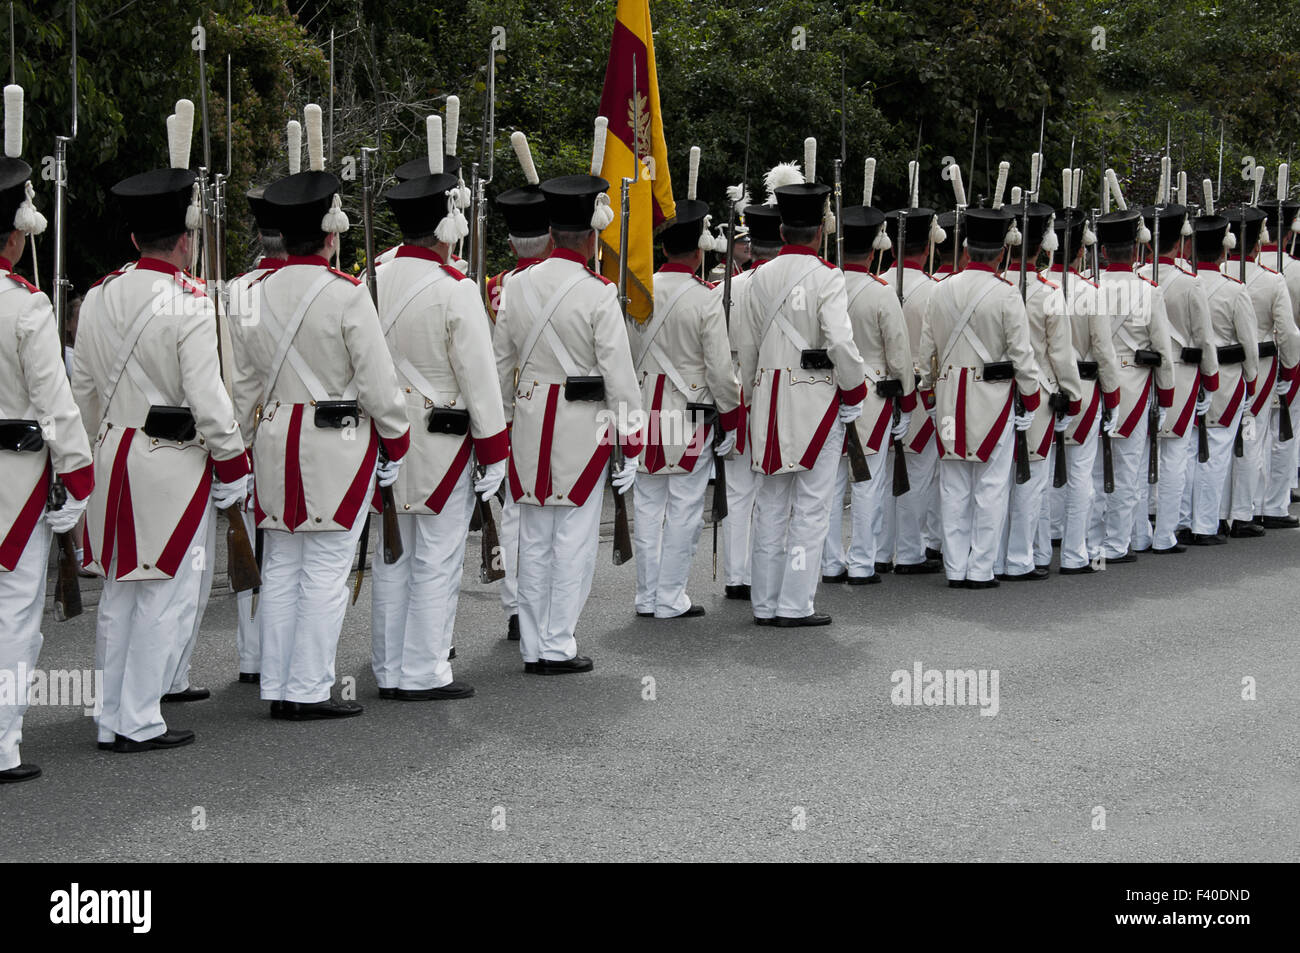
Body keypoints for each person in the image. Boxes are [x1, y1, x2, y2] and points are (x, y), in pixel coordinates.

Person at [72, 101, 249, 752]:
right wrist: (232, 463)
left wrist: (95, 445)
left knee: (121, 595)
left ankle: (112, 713)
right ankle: (139, 717)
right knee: (165, 595)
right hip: (171, 465)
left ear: (133, 238)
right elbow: (208, 397)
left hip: (112, 456)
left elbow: (84, 391)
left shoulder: (97, 295)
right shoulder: (193, 302)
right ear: (187, 237)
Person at [228, 104, 409, 720]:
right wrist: (397, 440)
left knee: (282, 564)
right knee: (326, 567)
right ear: (330, 232)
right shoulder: (347, 295)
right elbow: (380, 386)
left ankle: (280, 684)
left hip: (275, 439)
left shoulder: (252, 294)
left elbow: (241, 388)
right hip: (337, 445)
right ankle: (306, 687)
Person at [369, 149, 508, 700]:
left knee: (392, 556)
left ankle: (386, 668)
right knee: (436, 558)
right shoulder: (456, 288)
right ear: (447, 223)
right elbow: (478, 378)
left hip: (386, 439)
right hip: (444, 443)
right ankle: (423, 671)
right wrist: (495, 451)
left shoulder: (369, 277)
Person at [492, 172, 642, 672]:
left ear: (552, 233)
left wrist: (497, 432)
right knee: (572, 540)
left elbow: (498, 366)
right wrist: (634, 441)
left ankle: (535, 643)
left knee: (533, 538)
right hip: (582, 427)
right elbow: (619, 375)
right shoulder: (599, 293)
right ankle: (557, 642)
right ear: (593, 235)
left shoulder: (514, 286)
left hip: (531, 424)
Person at [0, 85, 94, 781]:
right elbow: (55, 406)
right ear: (17, 231)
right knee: (12, 614)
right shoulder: (26, 308)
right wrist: (78, 475)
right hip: (12, 480)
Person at [736, 171, 867, 626]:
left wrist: (752, 395)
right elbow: (841, 344)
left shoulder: (756, 278)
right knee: (811, 509)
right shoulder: (827, 277)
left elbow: (747, 348)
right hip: (815, 402)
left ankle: (765, 603)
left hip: (768, 399)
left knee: (770, 507)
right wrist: (855, 390)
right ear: (819, 230)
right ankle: (794, 604)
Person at [915, 208, 1040, 588]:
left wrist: (929, 394)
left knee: (953, 485)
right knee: (990, 486)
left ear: (967, 248)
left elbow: (926, 354)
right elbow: (1022, 356)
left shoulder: (940, 290)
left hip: (951, 397)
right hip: (993, 400)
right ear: (1002, 252)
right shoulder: (1006, 294)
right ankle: (980, 568)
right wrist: (1031, 400)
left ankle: (955, 568)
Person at [629, 191, 740, 619]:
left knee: (648, 506)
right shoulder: (706, 297)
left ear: (662, 247)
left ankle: (646, 594)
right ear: (699, 252)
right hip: (688, 414)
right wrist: (732, 417)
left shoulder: (637, 289)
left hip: (641, 410)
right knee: (684, 509)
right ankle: (670, 596)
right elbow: (718, 369)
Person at [822, 204, 914, 585]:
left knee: (829, 486)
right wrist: (907, 399)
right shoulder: (881, 293)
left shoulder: (825, 285)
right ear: (876, 248)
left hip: (828, 392)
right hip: (872, 396)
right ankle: (861, 562)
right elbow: (899, 354)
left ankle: (829, 562)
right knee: (867, 485)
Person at [486, 133, 553, 641]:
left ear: (510, 243)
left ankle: (516, 603)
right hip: (560, 412)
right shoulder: (571, 283)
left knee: (516, 511)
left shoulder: (499, 286)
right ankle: (542, 603)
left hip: (512, 410)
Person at [222, 184, 289, 684]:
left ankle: (252, 656)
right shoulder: (310, 287)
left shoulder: (236, 290)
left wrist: (238, 441)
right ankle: (281, 657)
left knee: (254, 542)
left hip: (245, 435)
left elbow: (232, 377)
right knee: (286, 550)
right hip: (295, 435)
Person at [995, 203, 1082, 581]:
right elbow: (1061, 354)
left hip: (996, 391)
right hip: (1039, 392)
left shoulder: (995, 287)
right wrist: (1072, 394)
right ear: (1044, 243)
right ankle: (1019, 557)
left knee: (997, 481)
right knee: (1030, 481)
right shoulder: (1048, 293)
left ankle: (996, 558)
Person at [1085, 210, 1175, 564]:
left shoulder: (1088, 287)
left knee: (1094, 470)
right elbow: (1163, 351)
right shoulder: (1148, 292)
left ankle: (1095, 539)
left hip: (1096, 384)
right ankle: (1119, 542)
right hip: (1135, 386)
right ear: (1136, 249)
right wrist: (1166, 396)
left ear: (1104, 250)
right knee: (1129, 470)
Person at [1135, 204, 1219, 554]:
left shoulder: (1137, 276)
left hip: (1140, 377)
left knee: (1138, 458)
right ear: (1181, 240)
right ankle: (1165, 532)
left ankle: (1138, 531)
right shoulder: (1189, 283)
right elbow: (1204, 338)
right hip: (1181, 377)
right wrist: (1211, 381)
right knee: (1174, 456)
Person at [1044, 209, 1122, 574]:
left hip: (1045, 389)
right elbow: (1104, 352)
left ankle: (1040, 549)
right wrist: (1113, 396)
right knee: (1080, 476)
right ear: (1079, 251)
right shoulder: (1089, 292)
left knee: (1043, 477)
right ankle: (1075, 553)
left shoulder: (1037, 285)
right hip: (1085, 390)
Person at [1220, 206, 1298, 535]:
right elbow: (1288, 331)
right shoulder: (1270, 278)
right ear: (1257, 242)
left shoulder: (1216, 273)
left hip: (1219, 366)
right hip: (1261, 366)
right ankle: (1243, 510)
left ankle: (1221, 511)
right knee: (1252, 436)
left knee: (1222, 437)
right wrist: (1291, 367)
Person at [1183, 212, 1258, 545]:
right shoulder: (1234, 290)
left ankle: (1183, 520)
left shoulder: (1181, 282)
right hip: (1225, 378)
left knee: (1186, 452)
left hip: (1187, 376)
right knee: (1215, 449)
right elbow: (1249, 345)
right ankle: (1205, 523)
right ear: (1225, 248)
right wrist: (1252, 380)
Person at [720, 204, 780, 601]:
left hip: (737, 395)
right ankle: (766, 573)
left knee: (739, 492)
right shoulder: (790, 285)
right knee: (773, 494)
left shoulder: (730, 287)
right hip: (777, 396)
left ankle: (736, 575)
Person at [881, 206, 945, 574]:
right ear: (927, 247)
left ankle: (878, 549)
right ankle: (908, 551)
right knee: (917, 477)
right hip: (921, 395)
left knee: (880, 479)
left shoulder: (875, 285)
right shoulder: (935, 292)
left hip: (878, 394)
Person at [1256, 198, 1300, 525]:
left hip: (1251, 362)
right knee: (1286, 432)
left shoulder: (1242, 270)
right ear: (1288, 234)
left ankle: (1250, 502)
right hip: (1288, 359)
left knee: (1253, 434)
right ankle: (1274, 505)